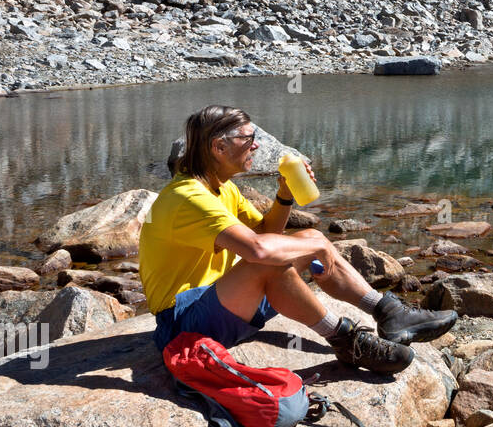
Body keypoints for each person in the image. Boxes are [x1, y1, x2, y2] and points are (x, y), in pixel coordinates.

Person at [140, 105, 456, 373]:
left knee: (309, 235)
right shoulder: (187, 197)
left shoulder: (223, 188)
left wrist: (285, 196)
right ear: (218, 148)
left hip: (224, 305)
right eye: (247, 138)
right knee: (277, 259)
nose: (256, 145)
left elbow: (266, 234)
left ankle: (389, 313)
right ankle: (347, 341)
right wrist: (317, 248)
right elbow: (259, 249)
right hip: (182, 323)